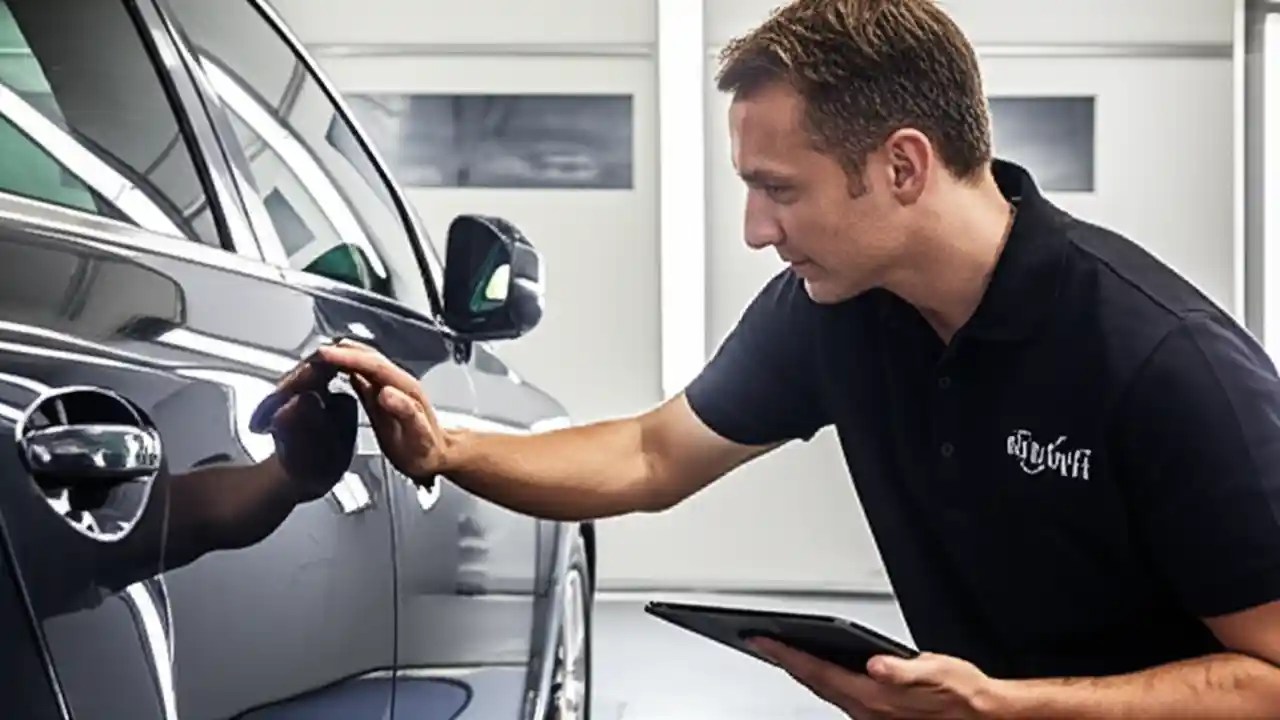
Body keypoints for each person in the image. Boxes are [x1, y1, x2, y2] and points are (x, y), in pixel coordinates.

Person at [273, 0, 1280, 716]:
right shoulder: (832, 312)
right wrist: (448, 449)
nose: (755, 228)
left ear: (899, 165)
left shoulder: (1162, 363)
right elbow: (648, 457)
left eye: (779, 189)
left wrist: (1008, 708)